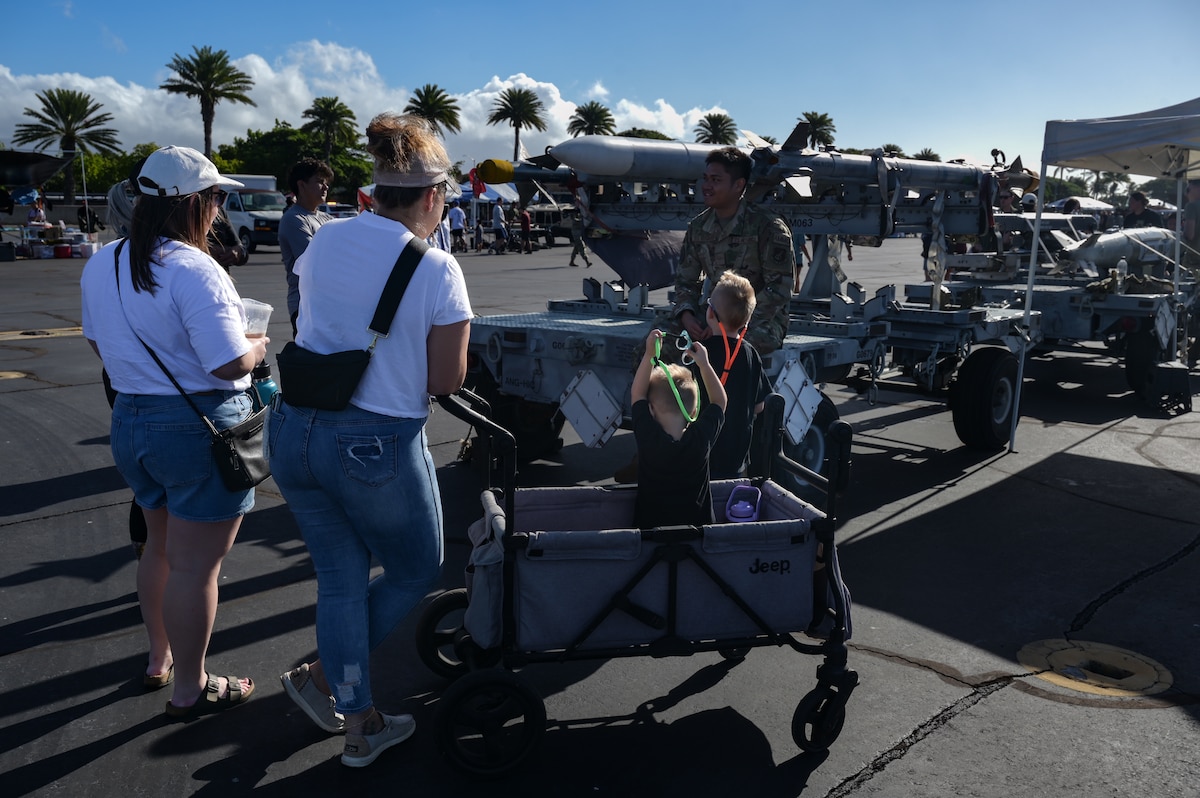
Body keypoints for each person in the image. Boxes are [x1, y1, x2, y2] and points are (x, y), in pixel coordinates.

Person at [272, 113, 472, 769]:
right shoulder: (437, 267)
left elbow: (316, 321)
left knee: (340, 580)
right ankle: (331, 686)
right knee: (415, 567)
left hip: (295, 429)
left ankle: (356, 717)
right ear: (432, 197)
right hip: (374, 441)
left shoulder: (323, 241)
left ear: (373, 191)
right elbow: (446, 379)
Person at [79, 145, 264, 718]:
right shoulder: (193, 267)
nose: (220, 208)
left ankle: (159, 659)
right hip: (197, 427)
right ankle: (191, 686)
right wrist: (257, 346)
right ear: (195, 203)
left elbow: (98, 345)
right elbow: (228, 364)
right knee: (195, 567)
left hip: (132, 420)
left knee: (157, 547)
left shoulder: (103, 260)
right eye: (217, 197)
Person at [673, 147, 794, 357]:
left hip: (760, 321)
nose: (707, 186)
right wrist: (687, 315)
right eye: (706, 179)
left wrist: (731, 325)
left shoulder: (768, 227)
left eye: (715, 180)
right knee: (660, 340)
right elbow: (686, 281)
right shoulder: (699, 227)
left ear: (738, 185)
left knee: (727, 351)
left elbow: (779, 290)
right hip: (712, 316)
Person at [630, 328, 726, 529]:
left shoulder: (649, 438)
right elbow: (719, 401)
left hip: (651, 536)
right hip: (697, 538)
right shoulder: (700, 439)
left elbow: (637, 394)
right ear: (694, 411)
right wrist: (704, 365)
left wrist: (649, 354)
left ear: (651, 410)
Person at [699, 271, 770, 479]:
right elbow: (760, 405)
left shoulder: (700, 354)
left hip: (702, 454)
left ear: (710, 314)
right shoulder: (751, 354)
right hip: (736, 459)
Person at [279, 158, 334, 337]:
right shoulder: (293, 219)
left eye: (326, 183)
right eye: (319, 182)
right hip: (305, 308)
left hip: (328, 305)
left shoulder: (328, 219)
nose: (325, 187)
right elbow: (314, 261)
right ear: (301, 185)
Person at [1183, 180, 1200, 267]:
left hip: (1195, 255)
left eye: (1188, 189)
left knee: (1183, 278)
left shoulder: (1191, 206)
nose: (1186, 193)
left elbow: (1189, 235)